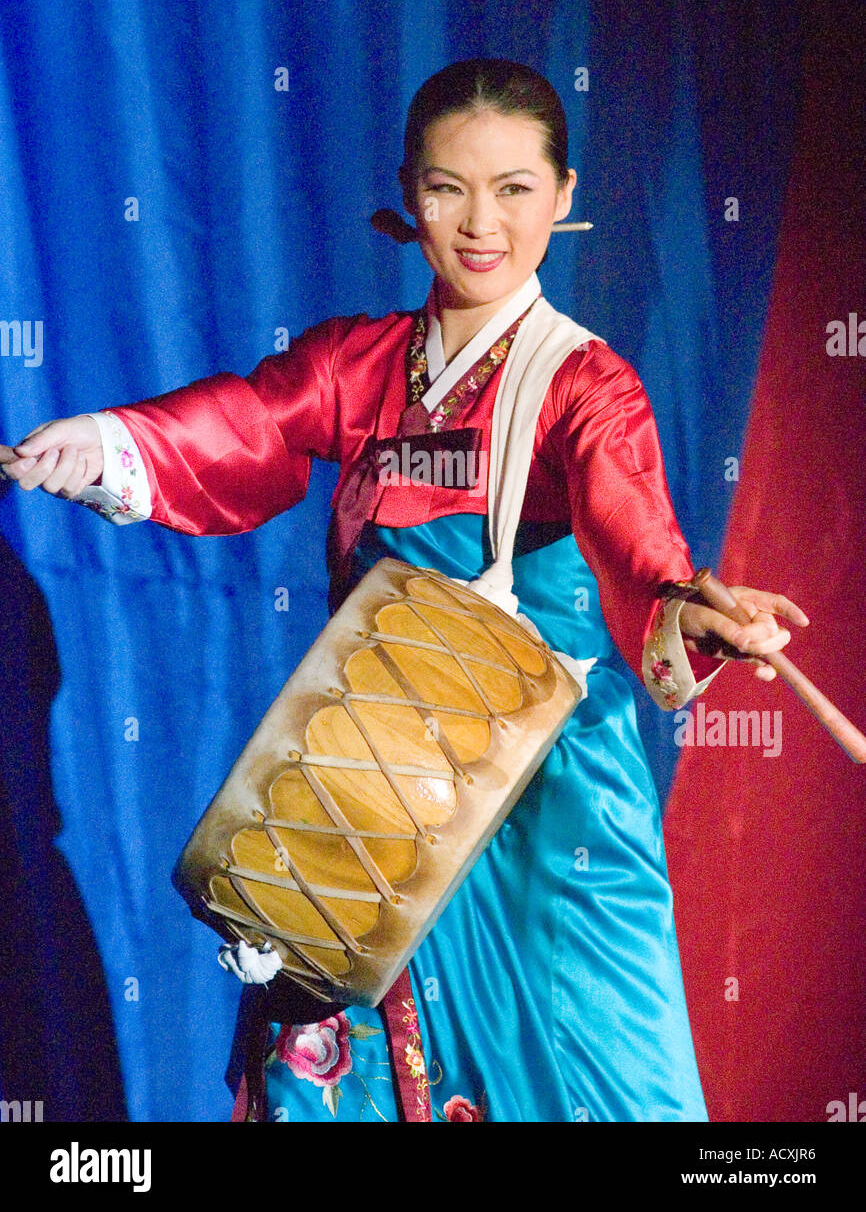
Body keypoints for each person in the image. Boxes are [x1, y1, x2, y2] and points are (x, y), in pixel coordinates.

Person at [0, 58, 806, 1123]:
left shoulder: (583, 384)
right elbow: (251, 424)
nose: (480, 223)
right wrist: (108, 445)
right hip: (373, 776)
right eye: (446, 187)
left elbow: (633, 539)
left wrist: (687, 606)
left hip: (540, 804)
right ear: (408, 191)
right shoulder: (361, 363)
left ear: (562, 199)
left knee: (595, 1083)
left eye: (514, 188)